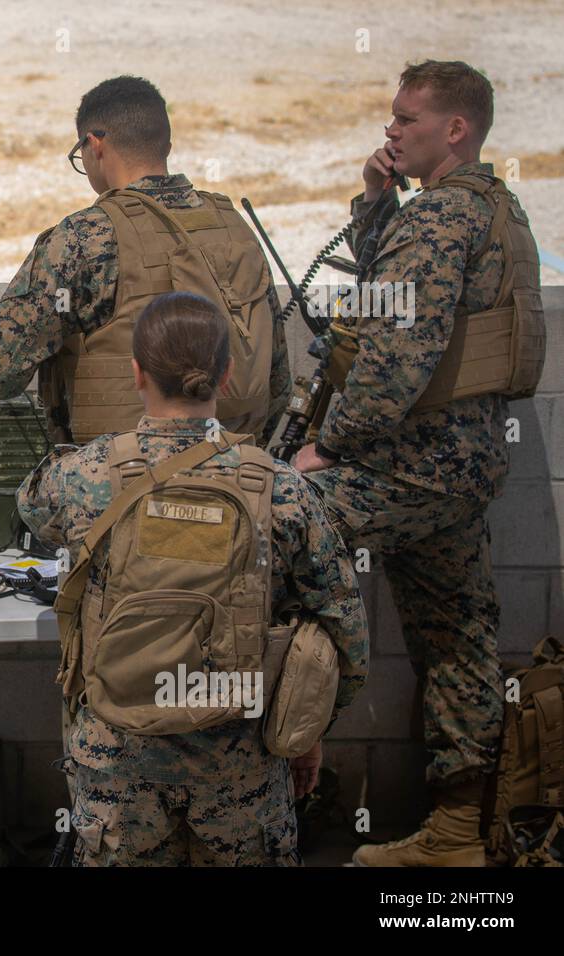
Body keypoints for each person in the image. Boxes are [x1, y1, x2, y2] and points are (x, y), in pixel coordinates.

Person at [293, 60, 544, 867]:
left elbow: (394, 353)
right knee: (458, 637)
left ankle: (269, 781)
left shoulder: (439, 221)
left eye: (406, 118)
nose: (391, 129)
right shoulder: (494, 210)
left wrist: (328, 448)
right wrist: (374, 202)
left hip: (410, 467)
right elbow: (388, 290)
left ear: (455, 129)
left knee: (265, 535)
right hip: (461, 471)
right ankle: (459, 831)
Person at [19, 291, 368, 866]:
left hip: (117, 770)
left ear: (136, 372)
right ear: (226, 375)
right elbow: (346, 633)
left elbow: (31, 507)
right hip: (242, 770)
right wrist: (303, 730)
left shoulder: (83, 476)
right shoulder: (279, 489)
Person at [0, 75, 291, 446]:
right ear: (166, 145)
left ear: (94, 146)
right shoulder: (234, 227)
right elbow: (277, 381)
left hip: (112, 486)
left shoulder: (84, 237)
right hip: (233, 477)